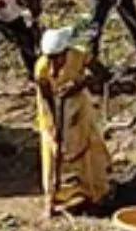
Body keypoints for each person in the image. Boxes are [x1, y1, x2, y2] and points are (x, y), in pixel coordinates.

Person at [33, 27, 112, 216]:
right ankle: (51, 198)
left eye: (57, 58)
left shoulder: (79, 55)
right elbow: (46, 98)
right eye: (50, 58)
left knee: (87, 148)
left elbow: (103, 74)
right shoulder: (41, 67)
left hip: (79, 110)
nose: (53, 64)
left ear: (66, 51)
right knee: (53, 153)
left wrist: (79, 84)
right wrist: (55, 126)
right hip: (51, 111)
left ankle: (94, 192)